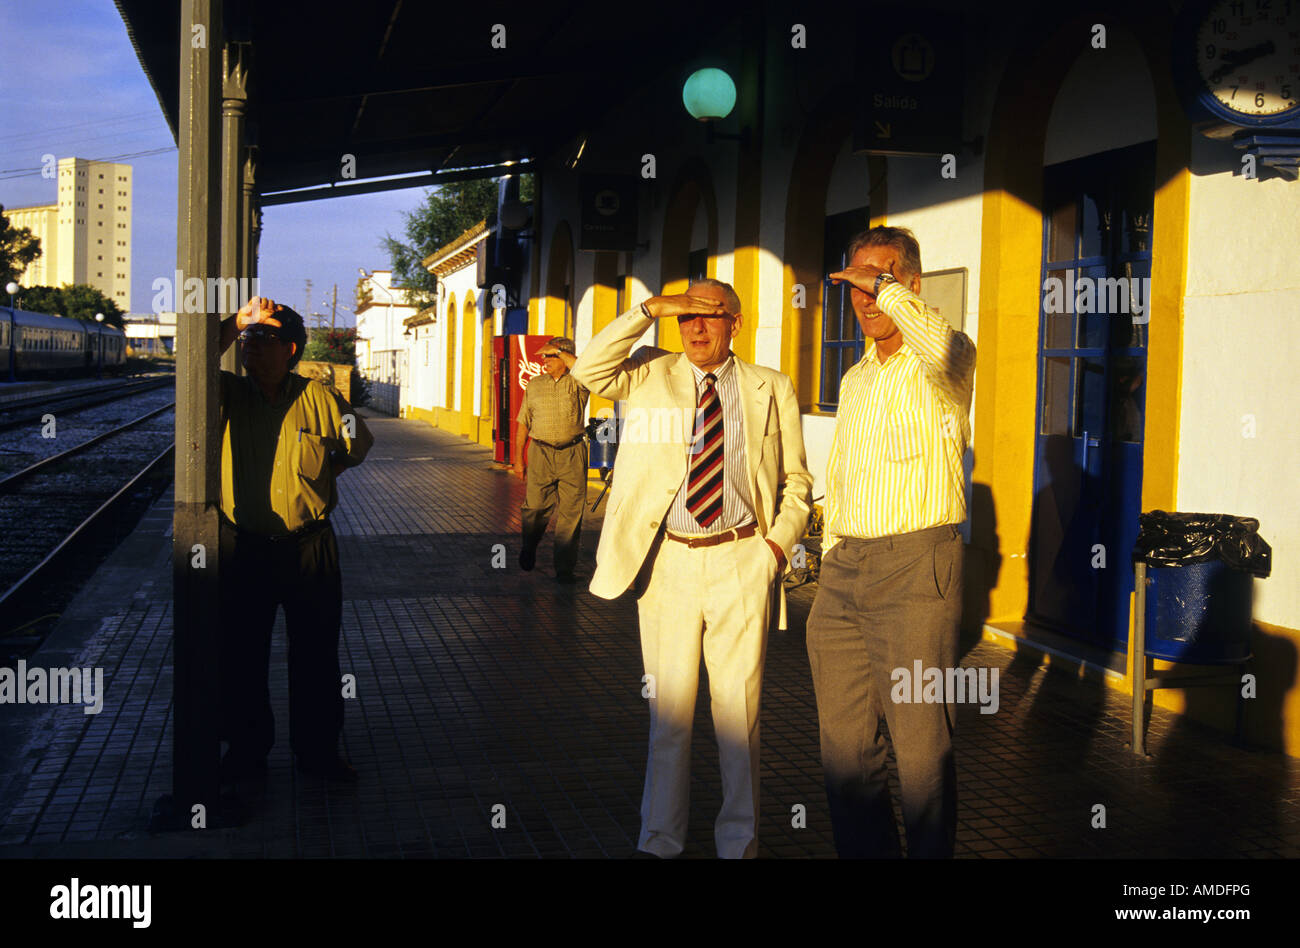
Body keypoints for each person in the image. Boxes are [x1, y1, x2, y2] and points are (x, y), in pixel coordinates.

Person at [571, 278, 812, 859]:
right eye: (686, 317)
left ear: (737, 321)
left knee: (741, 716)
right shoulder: (650, 371)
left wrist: (774, 549)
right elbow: (588, 371)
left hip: (742, 559)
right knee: (671, 715)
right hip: (669, 562)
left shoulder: (770, 387)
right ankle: (660, 840)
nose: (696, 327)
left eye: (710, 315)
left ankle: (740, 844)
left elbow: (797, 482)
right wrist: (650, 310)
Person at [806, 226, 976, 858]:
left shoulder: (946, 365)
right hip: (845, 567)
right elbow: (844, 475)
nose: (866, 294)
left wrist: (884, 288)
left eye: (881, 277)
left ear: (913, 284)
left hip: (915, 565)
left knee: (920, 740)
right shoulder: (855, 379)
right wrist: (829, 561)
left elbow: (941, 339)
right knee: (844, 747)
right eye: (856, 281)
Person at [216, 296, 374, 782]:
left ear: (290, 349)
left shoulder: (322, 399)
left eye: (263, 339)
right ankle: (246, 757)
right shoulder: (225, 392)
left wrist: (324, 478)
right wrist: (235, 321)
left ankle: (319, 757)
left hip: (310, 546)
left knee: (316, 658)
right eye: (247, 340)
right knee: (242, 659)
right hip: (245, 547)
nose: (251, 347)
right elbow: (193, 364)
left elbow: (358, 443)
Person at [512, 336, 589, 583]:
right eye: (544, 356)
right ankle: (529, 545)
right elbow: (523, 422)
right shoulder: (534, 385)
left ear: (564, 358)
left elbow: (586, 369)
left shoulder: (579, 382)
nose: (544, 360)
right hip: (541, 453)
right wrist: (518, 459)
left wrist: (560, 350)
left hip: (573, 454)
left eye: (550, 356)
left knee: (570, 515)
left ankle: (564, 570)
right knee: (534, 508)